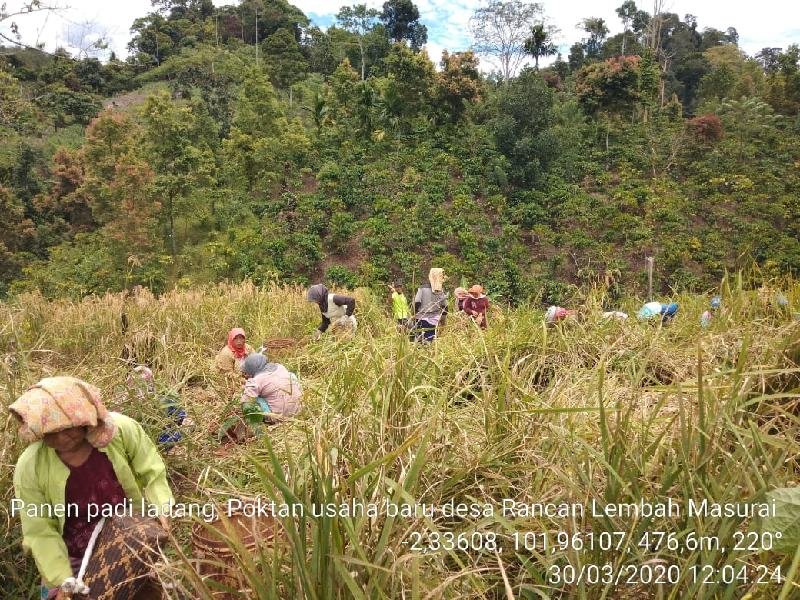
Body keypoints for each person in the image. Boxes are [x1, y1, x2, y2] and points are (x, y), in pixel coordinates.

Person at [11, 376, 173, 599]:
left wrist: (161, 507)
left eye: (67, 428)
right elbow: (39, 530)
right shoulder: (30, 466)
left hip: (128, 538)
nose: (60, 437)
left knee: (146, 592)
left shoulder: (120, 430)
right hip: (71, 555)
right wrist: (62, 579)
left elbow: (151, 469)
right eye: (50, 432)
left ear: (85, 419)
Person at [127, 365, 192, 449]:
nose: (141, 393)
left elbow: (181, 415)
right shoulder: (127, 408)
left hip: (161, 433)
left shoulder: (164, 400)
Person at [239, 353, 303, 432]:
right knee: (291, 375)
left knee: (252, 400)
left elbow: (246, 402)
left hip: (279, 416)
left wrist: (244, 389)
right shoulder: (280, 367)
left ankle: (258, 427)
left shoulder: (255, 381)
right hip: (298, 410)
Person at [411, 268, 448, 342]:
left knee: (420, 340)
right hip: (435, 320)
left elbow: (417, 302)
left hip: (421, 319)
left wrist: (414, 314)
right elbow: (445, 306)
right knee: (431, 340)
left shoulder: (422, 288)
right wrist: (443, 319)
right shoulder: (440, 291)